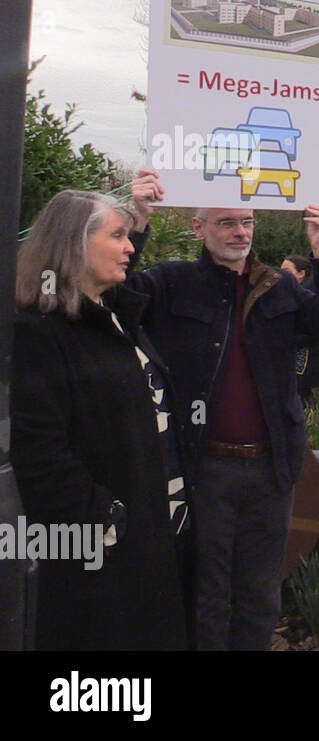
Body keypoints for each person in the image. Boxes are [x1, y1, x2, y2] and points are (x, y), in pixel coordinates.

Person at [124, 168, 319, 651]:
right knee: (206, 591)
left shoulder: (278, 286)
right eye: (226, 222)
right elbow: (118, 299)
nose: (240, 232)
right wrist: (138, 222)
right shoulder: (173, 283)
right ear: (198, 228)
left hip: (271, 467)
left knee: (260, 593)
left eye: (246, 221)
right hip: (203, 466)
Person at [11, 190, 189, 650]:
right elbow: (39, 449)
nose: (130, 248)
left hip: (152, 542)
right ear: (74, 242)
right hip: (102, 562)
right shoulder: (41, 331)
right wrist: (106, 520)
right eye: (117, 236)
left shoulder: (114, 317)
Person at [281, 255, 319, 408]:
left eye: (286, 270)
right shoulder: (284, 294)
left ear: (301, 273)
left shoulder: (310, 296)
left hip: (304, 354)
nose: (281, 274)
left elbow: (316, 328)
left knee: (301, 393)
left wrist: (290, 340)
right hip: (290, 352)